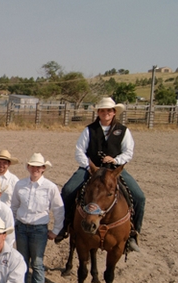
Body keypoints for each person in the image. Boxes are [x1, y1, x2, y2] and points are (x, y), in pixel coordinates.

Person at [56, 97, 145, 252]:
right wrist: (89, 166)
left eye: (109, 110)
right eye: (102, 110)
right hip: (90, 169)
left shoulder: (123, 131)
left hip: (113, 171)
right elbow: (79, 151)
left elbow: (128, 152)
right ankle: (66, 226)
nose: (106, 113)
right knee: (68, 190)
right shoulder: (89, 130)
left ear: (114, 112)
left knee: (139, 197)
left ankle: (132, 234)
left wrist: (116, 160)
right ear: (98, 112)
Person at [10, 153, 63, 283]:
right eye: (32, 166)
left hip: (39, 229)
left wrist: (56, 230)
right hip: (21, 226)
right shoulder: (20, 185)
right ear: (28, 167)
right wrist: (13, 225)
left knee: (38, 263)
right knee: (22, 261)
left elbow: (59, 210)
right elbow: (14, 207)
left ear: (43, 169)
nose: (35, 169)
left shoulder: (50, 187)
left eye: (38, 167)